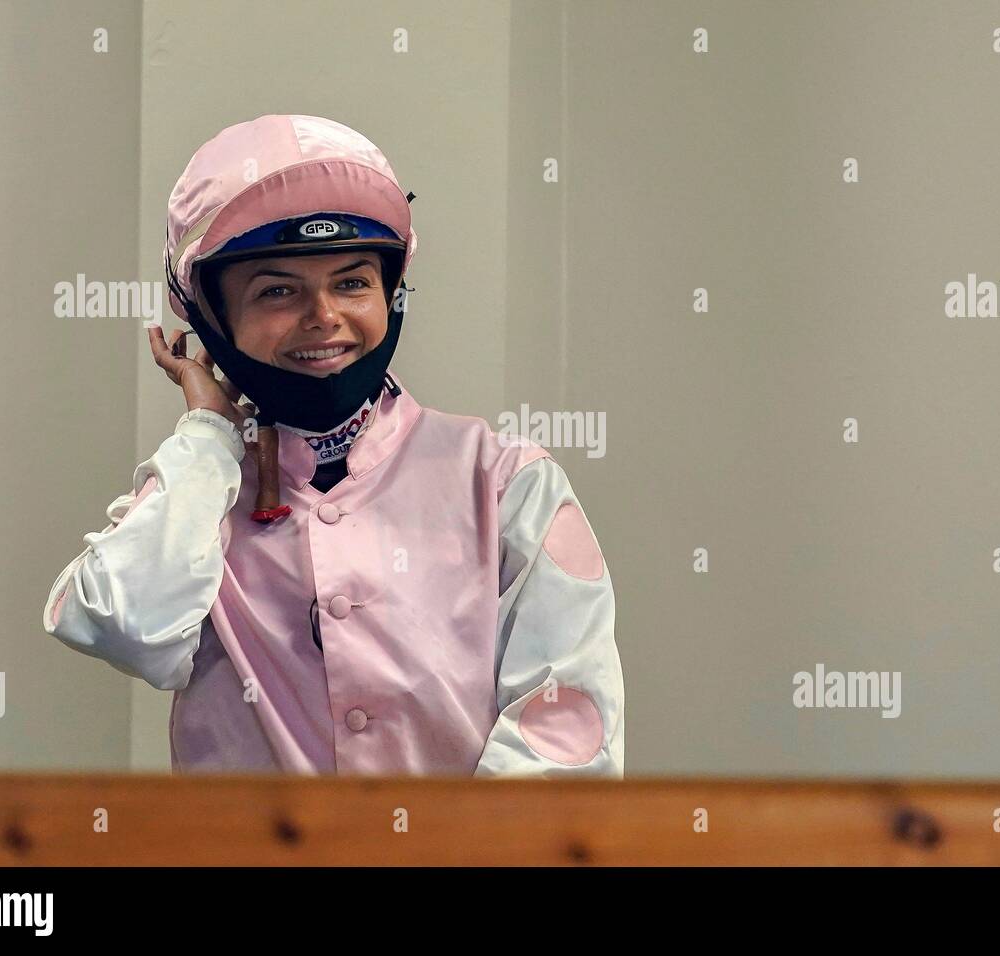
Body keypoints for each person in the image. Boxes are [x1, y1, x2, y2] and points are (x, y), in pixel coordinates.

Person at [42, 114, 624, 777]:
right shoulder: (200, 488)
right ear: (212, 316)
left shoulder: (507, 481)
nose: (324, 316)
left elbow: (566, 734)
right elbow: (123, 626)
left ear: (391, 294)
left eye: (352, 282)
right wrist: (207, 437)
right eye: (278, 291)